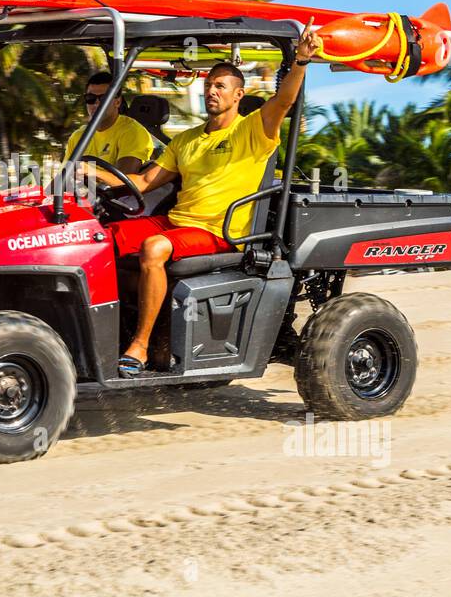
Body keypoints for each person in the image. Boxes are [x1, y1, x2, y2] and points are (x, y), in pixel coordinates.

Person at [95, 25, 320, 376]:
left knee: (154, 249)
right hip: (178, 223)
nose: (211, 91)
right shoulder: (185, 140)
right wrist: (90, 173)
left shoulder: (253, 130)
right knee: (98, 240)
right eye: (208, 86)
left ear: (237, 95)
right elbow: (141, 182)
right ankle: (124, 331)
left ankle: (139, 346)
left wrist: (302, 61)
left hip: (218, 230)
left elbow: (284, 100)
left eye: (220, 86)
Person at [64, 71, 155, 176]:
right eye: (91, 99)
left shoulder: (132, 132)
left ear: (117, 102)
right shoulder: (78, 137)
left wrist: (91, 173)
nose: (97, 103)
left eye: (104, 99)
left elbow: (123, 183)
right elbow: (62, 178)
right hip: (86, 191)